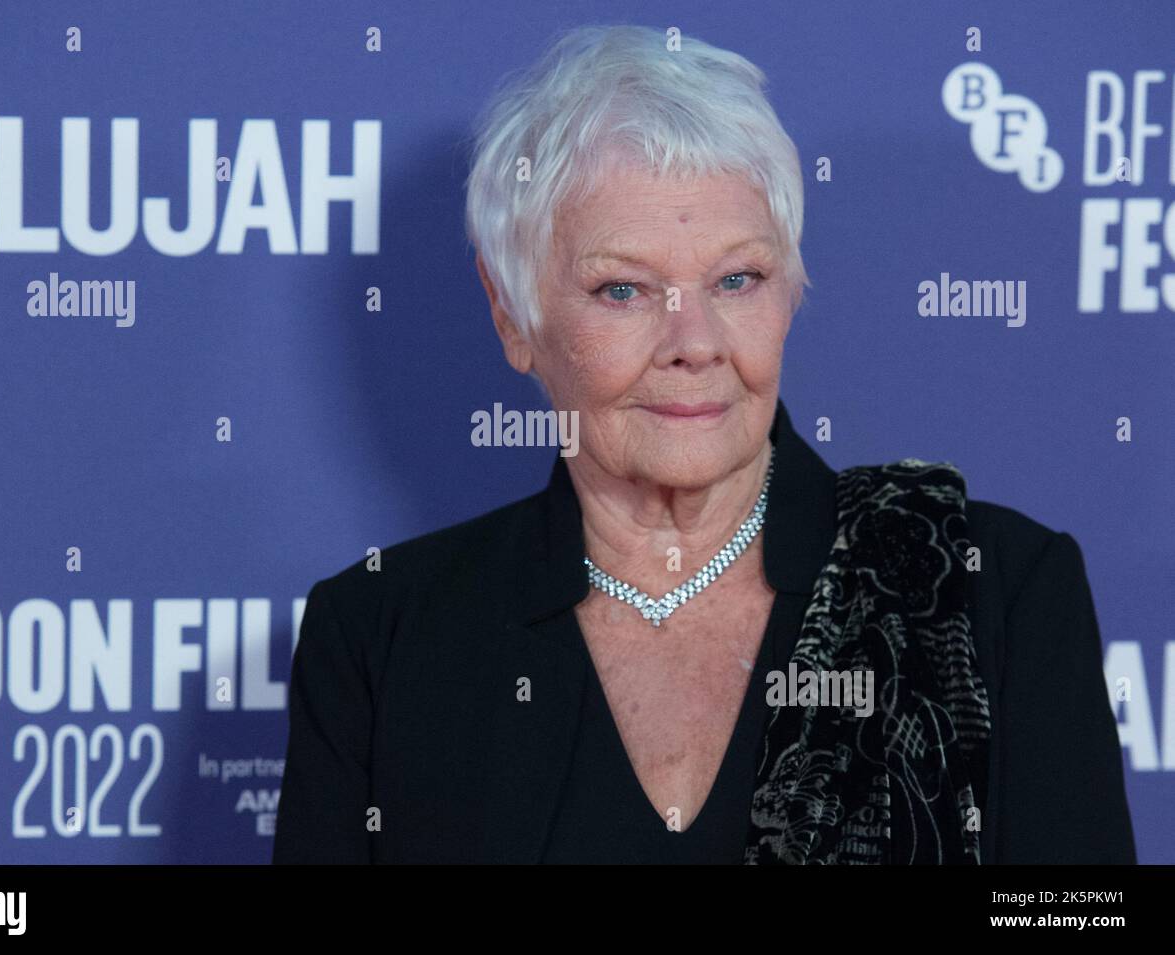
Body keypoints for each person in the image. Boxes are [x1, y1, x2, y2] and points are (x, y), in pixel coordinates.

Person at [272, 24, 1135, 864]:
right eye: (623, 289)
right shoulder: (381, 639)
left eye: (737, 278)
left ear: (791, 287)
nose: (695, 341)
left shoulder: (994, 592)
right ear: (511, 313)